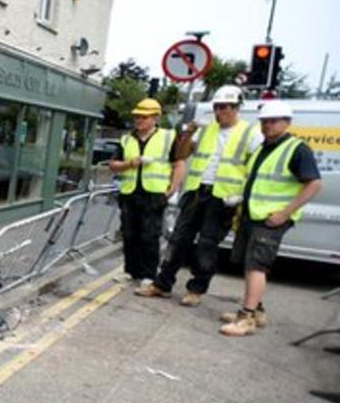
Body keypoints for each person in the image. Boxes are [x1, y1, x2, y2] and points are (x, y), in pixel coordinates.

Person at [136, 85, 260, 305]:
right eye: (216, 107)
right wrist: (188, 133)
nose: (218, 112)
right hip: (196, 191)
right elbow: (181, 155)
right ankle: (162, 284)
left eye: (223, 107)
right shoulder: (207, 129)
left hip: (222, 196)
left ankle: (196, 290)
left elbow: (256, 169)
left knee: (207, 244)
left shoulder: (251, 133)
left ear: (236, 108)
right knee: (179, 239)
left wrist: (241, 196)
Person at [220, 100, 322, 336]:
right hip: (254, 215)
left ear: (287, 122)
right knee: (250, 263)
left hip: (270, 219)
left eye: (273, 121)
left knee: (257, 266)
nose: (267, 126)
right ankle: (256, 311)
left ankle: (246, 319)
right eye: (264, 121)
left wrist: (284, 213)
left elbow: (314, 184)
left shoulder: (297, 149)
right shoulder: (264, 147)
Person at [108, 98, 180, 283]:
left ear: (155, 118)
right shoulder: (127, 139)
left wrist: (173, 187)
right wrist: (130, 163)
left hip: (154, 194)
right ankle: (130, 271)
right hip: (130, 192)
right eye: (137, 116)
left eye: (143, 117)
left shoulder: (168, 137)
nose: (139, 120)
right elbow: (113, 165)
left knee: (150, 235)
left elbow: (179, 163)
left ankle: (148, 274)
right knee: (129, 233)